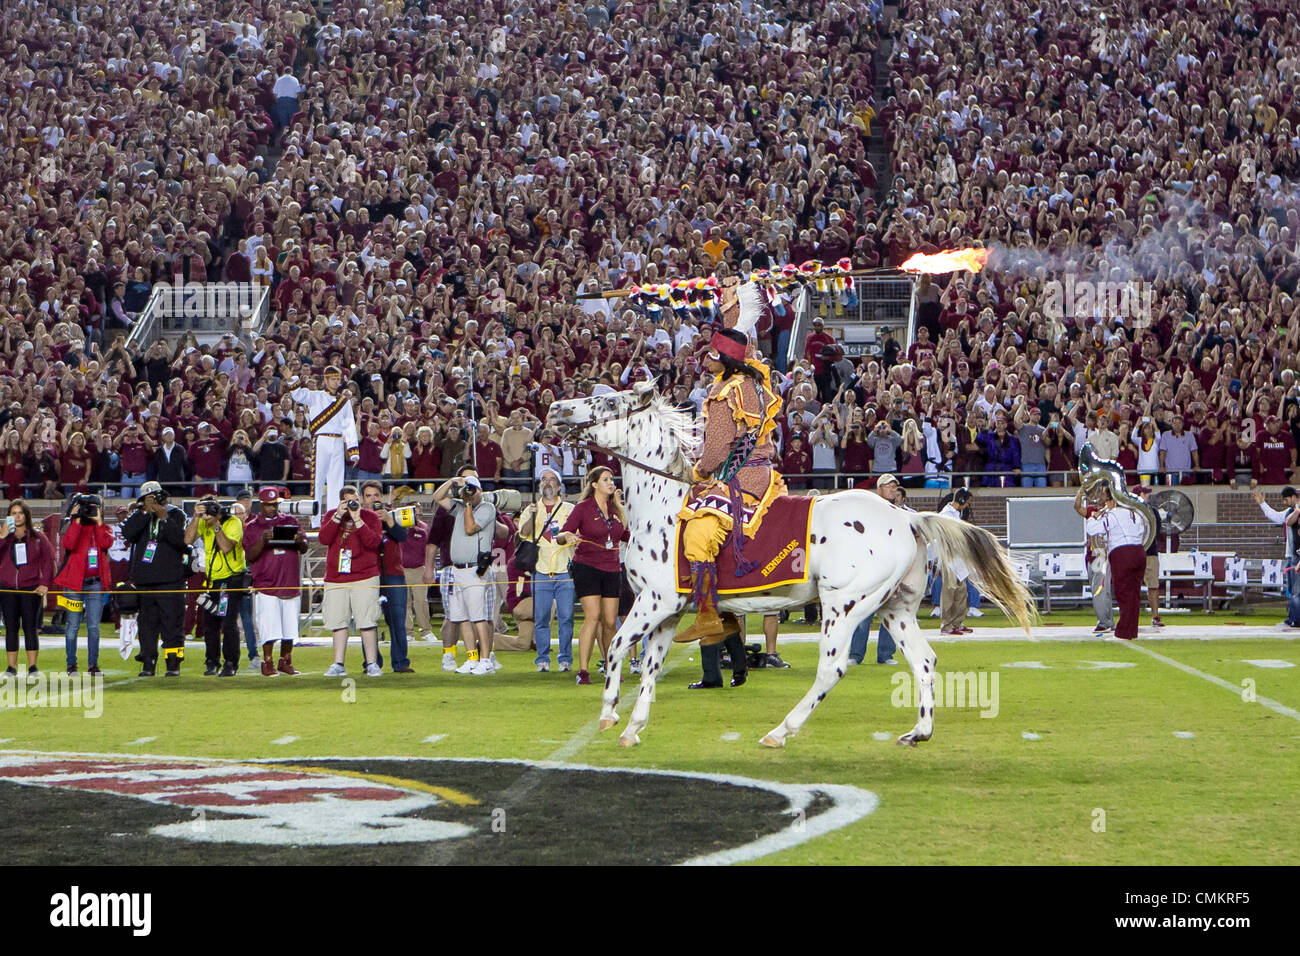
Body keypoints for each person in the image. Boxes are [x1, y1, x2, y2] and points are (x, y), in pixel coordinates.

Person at [676, 321, 784, 644]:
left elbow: (717, 447)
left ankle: (707, 614)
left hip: (739, 479)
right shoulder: (754, 381)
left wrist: (699, 470)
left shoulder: (725, 392)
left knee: (696, 533)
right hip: (762, 475)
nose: (705, 361)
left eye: (710, 355)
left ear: (723, 359)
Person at [556, 466, 628, 685]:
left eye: (612, 479)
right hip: (587, 566)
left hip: (612, 567)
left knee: (610, 621)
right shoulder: (583, 508)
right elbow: (561, 534)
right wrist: (567, 536)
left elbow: (625, 535)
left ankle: (610, 665)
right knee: (593, 616)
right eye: (606, 479)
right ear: (595, 484)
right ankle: (583, 670)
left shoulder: (616, 510)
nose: (611, 483)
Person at [432, 471, 499, 675]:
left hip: (475, 570)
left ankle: (485, 659)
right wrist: (452, 481)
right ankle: (471, 658)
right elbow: (437, 497)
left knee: (479, 617)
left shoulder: (487, 508)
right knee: (462, 617)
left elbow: (470, 528)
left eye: (473, 489)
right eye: (467, 489)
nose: (469, 493)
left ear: (480, 491)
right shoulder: (460, 507)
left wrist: (468, 503)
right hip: (457, 569)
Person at [120, 481, 189, 677]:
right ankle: (148, 662)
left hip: (171, 580)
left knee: (173, 624)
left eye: (157, 498)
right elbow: (128, 534)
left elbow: (180, 541)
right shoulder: (139, 516)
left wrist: (163, 516)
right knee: (147, 626)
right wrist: (144, 512)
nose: (154, 502)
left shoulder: (176, 514)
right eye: (149, 499)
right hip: (145, 581)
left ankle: (173, 663)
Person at [319, 485, 384, 677]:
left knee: (367, 620)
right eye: (347, 501)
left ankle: (372, 663)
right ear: (340, 501)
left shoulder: (371, 517)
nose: (351, 504)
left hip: (365, 575)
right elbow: (324, 538)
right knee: (338, 621)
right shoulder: (332, 515)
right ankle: (338, 663)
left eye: (354, 499)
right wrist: (337, 516)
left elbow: (373, 542)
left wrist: (357, 518)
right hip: (336, 577)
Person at [244, 486, 308, 676]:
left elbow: (304, 547)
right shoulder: (253, 527)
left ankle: (285, 661)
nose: (272, 508)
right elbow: (250, 556)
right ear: (261, 504)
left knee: (289, 628)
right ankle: (268, 662)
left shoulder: (290, 521)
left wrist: (298, 540)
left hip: (289, 581)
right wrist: (262, 541)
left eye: (275, 505)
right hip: (266, 584)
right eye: (268, 505)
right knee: (269, 627)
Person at [518, 467, 576, 673]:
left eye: (552, 479)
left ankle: (565, 657)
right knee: (541, 617)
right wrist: (533, 517)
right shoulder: (531, 509)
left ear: (559, 486)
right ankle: (542, 658)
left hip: (564, 570)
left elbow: (577, 533)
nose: (547, 482)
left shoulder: (569, 508)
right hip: (541, 570)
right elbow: (523, 534)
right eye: (544, 479)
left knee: (566, 617)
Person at [289, 366, 360, 528]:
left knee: (337, 482)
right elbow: (298, 394)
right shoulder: (316, 396)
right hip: (320, 440)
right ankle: (315, 521)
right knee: (318, 480)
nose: (336, 382)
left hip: (337, 441)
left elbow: (349, 426)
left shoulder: (344, 401)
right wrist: (291, 378)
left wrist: (353, 450)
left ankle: (334, 518)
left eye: (338, 379)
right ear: (326, 380)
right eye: (333, 379)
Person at [185, 494, 248, 677]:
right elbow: (187, 541)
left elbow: (227, 547)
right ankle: (211, 661)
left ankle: (230, 662)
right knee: (209, 623)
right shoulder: (203, 522)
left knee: (228, 623)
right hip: (212, 580)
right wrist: (196, 518)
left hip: (232, 578)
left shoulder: (233, 522)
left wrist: (215, 525)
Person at [53, 494, 113, 675]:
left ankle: (92, 665)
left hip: (95, 584)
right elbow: (69, 544)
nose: (90, 511)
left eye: (94, 508)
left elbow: (106, 542)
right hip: (73, 584)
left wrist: (99, 521)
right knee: (72, 626)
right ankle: (71, 665)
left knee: (94, 626)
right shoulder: (74, 525)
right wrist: (76, 519)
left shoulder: (103, 527)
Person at [1081, 484, 1149, 640]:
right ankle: (1132, 629)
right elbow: (1142, 530)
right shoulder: (1135, 514)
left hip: (1122, 553)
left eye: (1106, 500)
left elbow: (1092, 530)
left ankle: (1124, 631)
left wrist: (1094, 516)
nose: (1105, 503)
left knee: (1123, 593)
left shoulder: (1111, 514)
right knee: (1134, 593)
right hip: (1139, 552)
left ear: (1112, 501)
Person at [848, 475, 901, 665]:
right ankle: (855, 654)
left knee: (889, 613)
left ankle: (886, 654)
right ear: (879, 489)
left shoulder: (898, 513)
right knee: (862, 614)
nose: (894, 490)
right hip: (870, 569)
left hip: (891, 569)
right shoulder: (869, 511)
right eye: (890, 486)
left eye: (895, 487)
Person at [363, 480, 413, 673]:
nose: (373, 499)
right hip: (369, 574)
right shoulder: (360, 517)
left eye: (376, 495)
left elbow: (403, 537)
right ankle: (372, 662)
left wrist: (389, 521)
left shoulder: (394, 514)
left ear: (382, 497)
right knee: (368, 620)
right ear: (362, 499)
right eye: (368, 496)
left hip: (393, 573)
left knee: (397, 619)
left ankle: (401, 662)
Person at [0, 500, 53, 676]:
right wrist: (2, 537)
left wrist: (45, 583)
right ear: (8, 516)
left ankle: (32, 667)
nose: (17, 516)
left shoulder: (38, 537)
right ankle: (11, 667)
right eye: (13, 513)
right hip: (7, 588)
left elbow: (48, 561)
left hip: (30, 589)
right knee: (11, 627)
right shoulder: (3, 537)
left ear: (26, 515)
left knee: (30, 627)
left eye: (20, 513)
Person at [1254, 485, 1300, 629]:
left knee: (1296, 591)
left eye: (1286, 499)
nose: (1284, 502)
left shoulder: (1295, 513)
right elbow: (1275, 516)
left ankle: (1294, 619)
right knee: (1292, 590)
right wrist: (1262, 503)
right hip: (1291, 555)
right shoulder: (1290, 512)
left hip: (1296, 555)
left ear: (1294, 497)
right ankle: (1293, 618)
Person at [938, 488, 974, 636]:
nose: (968, 506)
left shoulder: (957, 514)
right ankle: (946, 625)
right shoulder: (945, 515)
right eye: (967, 502)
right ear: (961, 500)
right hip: (949, 558)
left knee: (961, 592)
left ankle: (957, 622)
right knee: (949, 592)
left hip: (959, 558)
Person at [1130, 484, 1165, 627]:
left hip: (1149, 552)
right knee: (1132, 587)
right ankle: (1131, 616)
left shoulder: (1152, 511)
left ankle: (1155, 616)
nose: (1148, 496)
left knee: (1153, 585)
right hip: (1134, 552)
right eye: (1145, 493)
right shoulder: (1130, 511)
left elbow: (1156, 530)